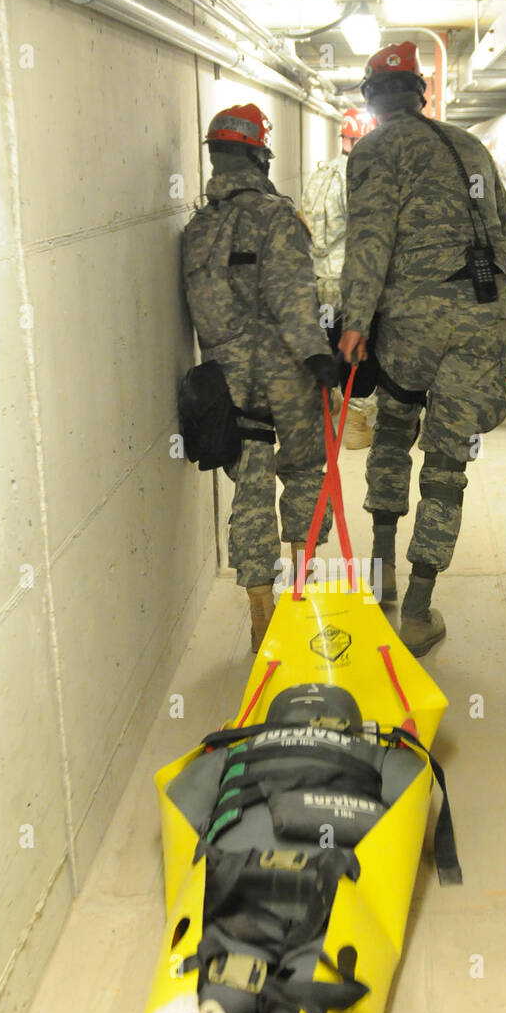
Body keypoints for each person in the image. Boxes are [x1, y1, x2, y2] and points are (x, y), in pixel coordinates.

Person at [338, 43, 506, 657]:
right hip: (483, 313)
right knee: (448, 463)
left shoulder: (373, 151)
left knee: (394, 428)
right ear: (421, 93)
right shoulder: (470, 146)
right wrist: (496, 307)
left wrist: (354, 321)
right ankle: (418, 613)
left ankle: (382, 572)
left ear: (371, 97)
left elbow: (369, 241)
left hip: (413, 321)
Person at [182, 104, 339, 651]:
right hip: (286, 377)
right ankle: (303, 593)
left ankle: (260, 616)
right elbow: (292, 298)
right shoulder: (277, 217)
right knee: (302, 471)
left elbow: (207, 315)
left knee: (248, 491)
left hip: (230, 383)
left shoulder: (197, 230)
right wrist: (318, 356)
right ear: (259, 154)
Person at [300, 107, 376, 448]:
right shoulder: (364, 178)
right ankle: (357, 419)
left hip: (319, 281)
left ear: (343, 137)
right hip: (351, 281)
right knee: (358, 347)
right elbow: (371, 233)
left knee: (328, 342)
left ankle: (327, 402)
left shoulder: (318, 175)